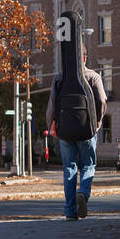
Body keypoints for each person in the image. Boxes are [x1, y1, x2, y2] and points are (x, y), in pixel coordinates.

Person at [45, 45, 108, 220]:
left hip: (65, 131)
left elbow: (51, 106)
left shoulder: (59, 79)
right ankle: (84, 193)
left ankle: (70, 211)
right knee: (88, 165)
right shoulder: (93, 77)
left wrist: (51, 126)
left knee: (69, 168)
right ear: (85, 58)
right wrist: (97, 121)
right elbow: (102, 100)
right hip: (87, 129)